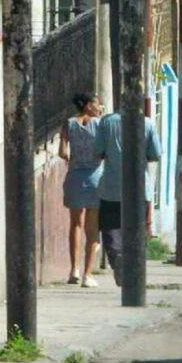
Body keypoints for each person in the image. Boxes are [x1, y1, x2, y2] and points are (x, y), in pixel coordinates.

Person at [95, 101, 163, 283]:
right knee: (136, 229)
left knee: (110, 228)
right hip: (139, 188)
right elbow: (155, 154)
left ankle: (117, 256)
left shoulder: (106, 122)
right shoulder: (147, 123)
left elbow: (98, 152)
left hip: (111, 187)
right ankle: (132, 267)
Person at [58, 92, 105, 286]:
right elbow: (103, 152)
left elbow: (62, 152)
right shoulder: (99, 124)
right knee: (92, 228)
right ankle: (88, 275)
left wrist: (74, 160)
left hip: (75, 177)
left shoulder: (69, 124)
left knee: (75, 224)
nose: (98, 107)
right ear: (87, 106)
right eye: (96, 103)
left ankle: (74, 270)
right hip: (95, 177)